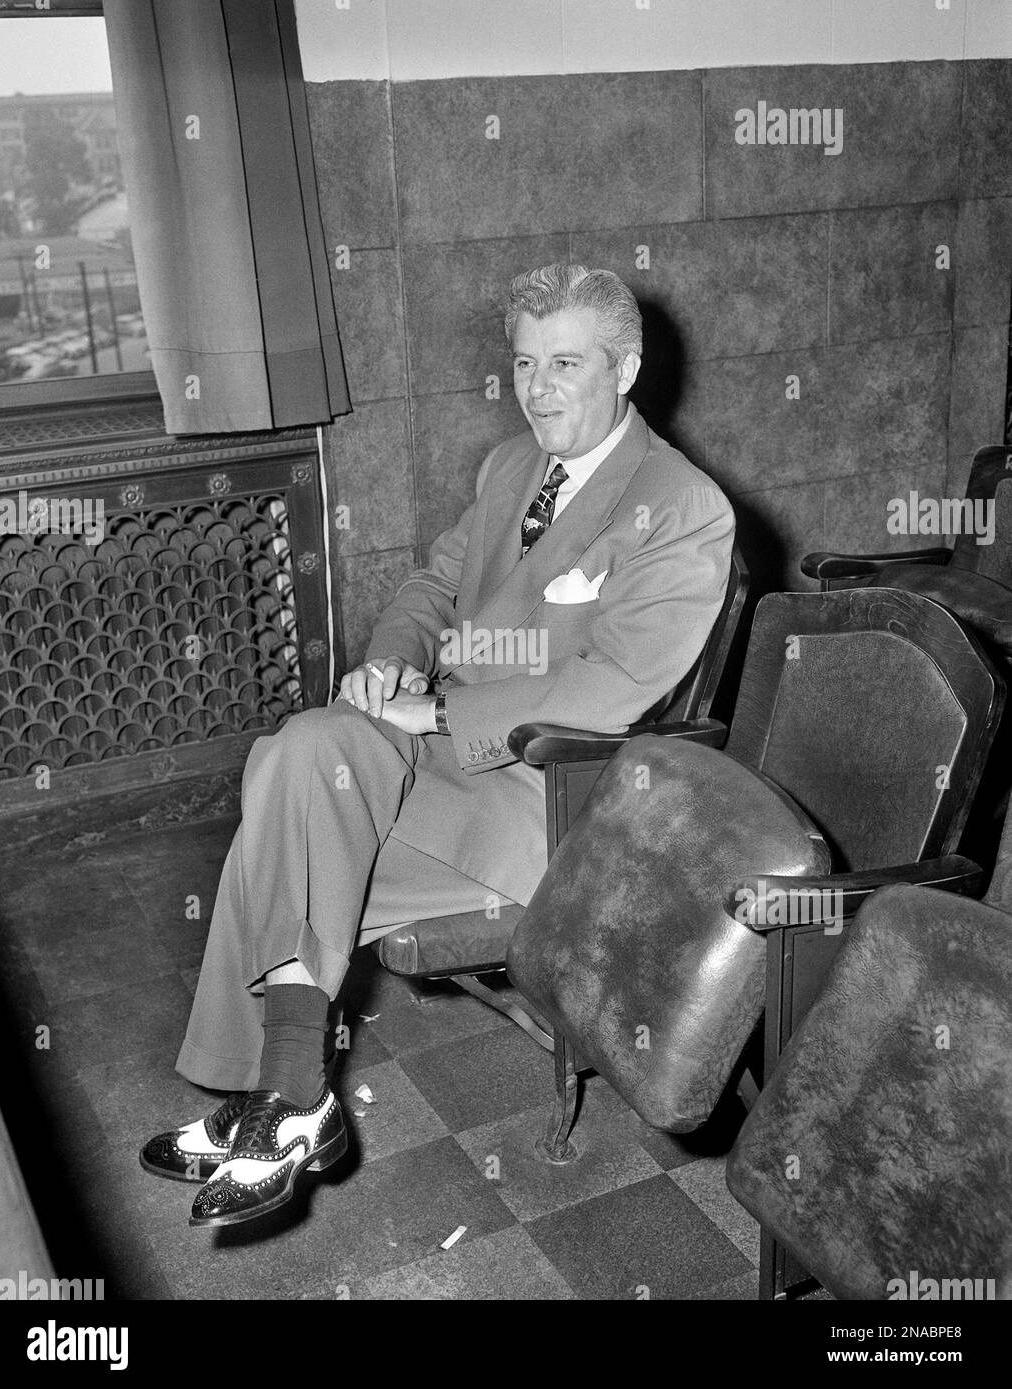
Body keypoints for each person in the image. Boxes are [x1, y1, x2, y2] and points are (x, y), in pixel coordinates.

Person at [140, 264, 736, 1229]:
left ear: (623, 369)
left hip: (545, 792)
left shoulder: (680, 504)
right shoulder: (511, 469)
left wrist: (436, 716)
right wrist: (388, 670)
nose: (538, 389)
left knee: (285, 794)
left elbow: (612, 687)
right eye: (523, 363)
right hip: (434, 762)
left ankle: (273, 1091)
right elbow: (432, 586)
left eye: (567, 364)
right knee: (303, 760)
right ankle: (293, 1100)